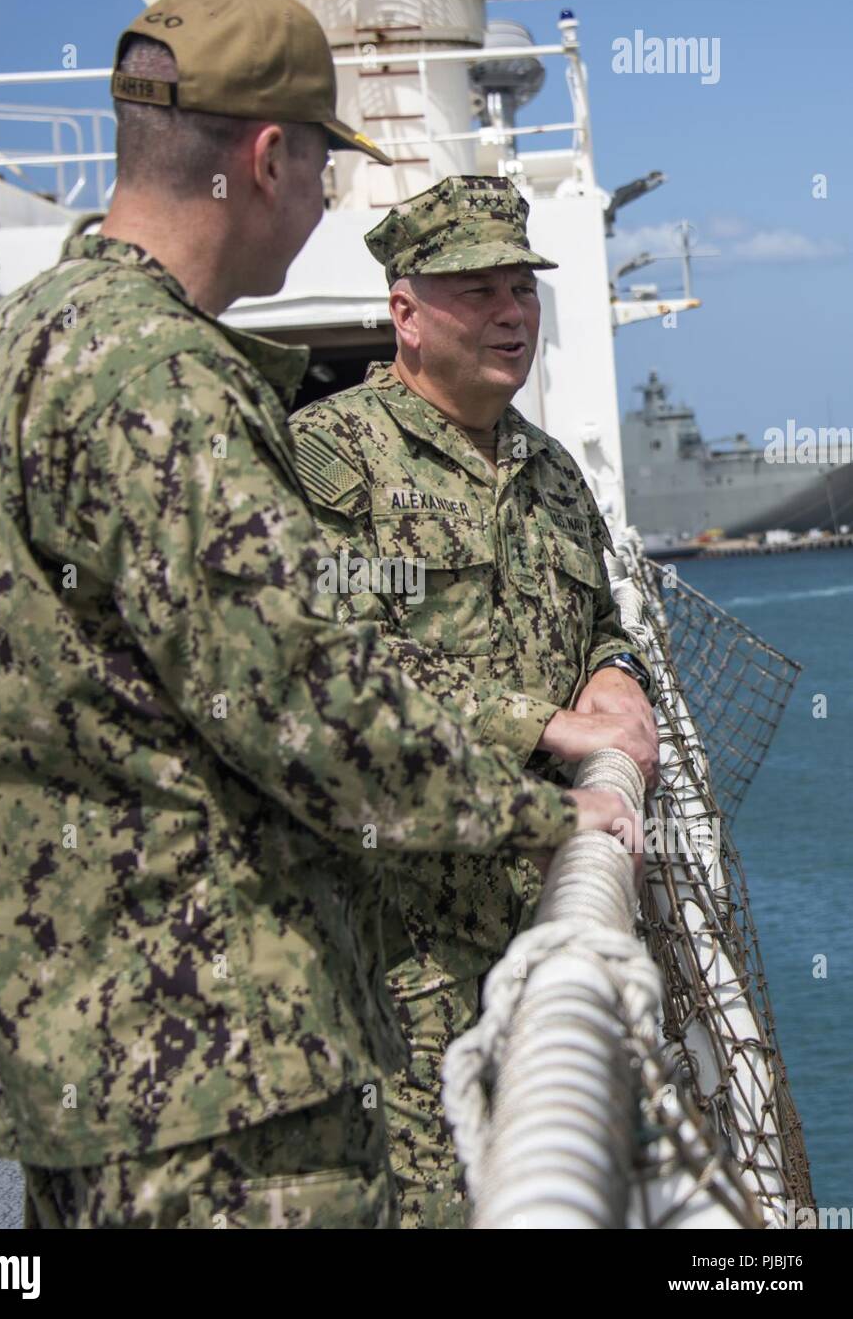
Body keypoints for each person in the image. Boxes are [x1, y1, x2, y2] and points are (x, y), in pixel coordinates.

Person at [0, 0, 638, 1231]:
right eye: (318, 168)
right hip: (213, 1058)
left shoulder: (0, 350)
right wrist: (558, 821)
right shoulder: (163, 376)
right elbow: (312, 701)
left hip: (73, 1047)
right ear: (267, 159)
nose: (317, 208)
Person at [289, 174, 659, 1227]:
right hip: (403, 957)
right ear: (404, 313)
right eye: (477, 290)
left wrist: (610, 672)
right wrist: (541, 725)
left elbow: (596, 620)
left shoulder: (549, 472)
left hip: (548, 921)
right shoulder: (331, 460)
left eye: (522, 288)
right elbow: (333, 664)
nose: (511, 313)